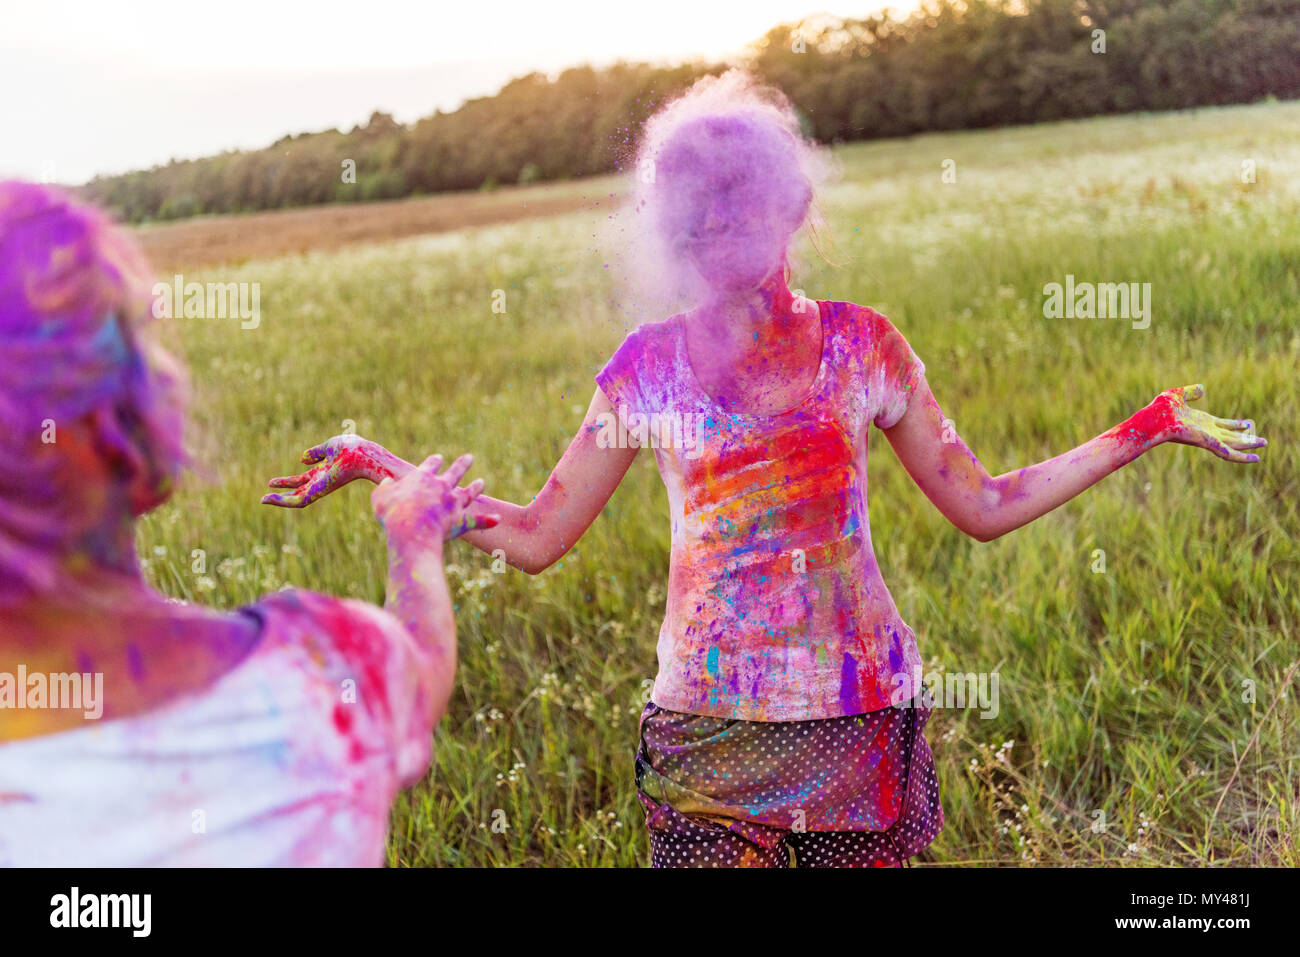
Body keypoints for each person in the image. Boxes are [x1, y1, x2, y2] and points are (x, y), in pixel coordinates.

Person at [263, 71, 1266, 867]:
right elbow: (534, 537)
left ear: (792, 206)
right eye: (690, 209)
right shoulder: (644, 370)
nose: (711, 226)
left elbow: (984, 503)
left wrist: (1146, 425)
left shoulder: (863, 346)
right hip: (707, 738)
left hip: (860, 719)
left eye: (736, 201)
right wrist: (379, 464)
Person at [0, 180, 495, 866]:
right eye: (144, 335)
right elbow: (421, 673)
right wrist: (413, 540)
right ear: (123, 431)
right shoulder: (321, 670)